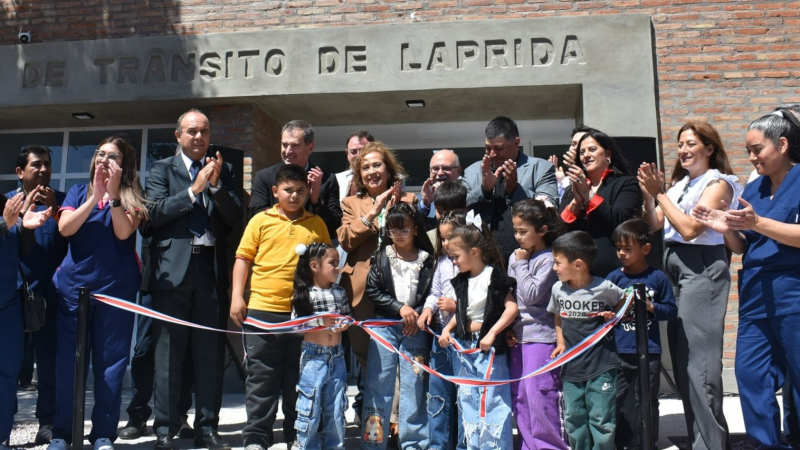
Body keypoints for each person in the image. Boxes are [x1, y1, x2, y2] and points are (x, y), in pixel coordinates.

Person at [693, 110, 800, 449]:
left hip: (793, 290)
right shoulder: (753, 189)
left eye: (757, 149)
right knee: (750, 374)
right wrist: (726, 231)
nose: (751, 158)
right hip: (756, 292)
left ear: (782, 145)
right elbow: (745, 246)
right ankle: (765, 444)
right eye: (748, 151)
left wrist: (755, 223)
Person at [143, 109, 242, 450]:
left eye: (204, 131)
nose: (198, 137)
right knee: (168, 354)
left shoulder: (223, 170)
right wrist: (191, 193)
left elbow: (234, 219)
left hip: (209, 271)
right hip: (172, 274)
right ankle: (165, 429)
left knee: (209, 353)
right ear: (178, 136)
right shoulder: (160, 169)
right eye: (191, 131)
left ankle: (207, 426)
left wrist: (214, 188)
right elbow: (152, 215)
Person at [639, 120, 740, 450]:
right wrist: (649, 198)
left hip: (701, 269)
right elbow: (656, 223)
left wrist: (660, 194)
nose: (683, 149)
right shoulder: (682, 184)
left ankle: (710, 444)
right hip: (674, 270)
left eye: (691, 143)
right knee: (683, 364)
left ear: (709, 148)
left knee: (700, 366)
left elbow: (688, 229)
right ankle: (702, 438)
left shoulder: (717, 183)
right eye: (680, 144)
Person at [48, 136, 147, 450]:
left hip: (115, 289)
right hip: (74, 291)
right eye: (100, 154)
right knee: (69, 364)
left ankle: (103, 433)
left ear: (124, 164)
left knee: (111, 364)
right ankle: (63, 433)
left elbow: (122, 231)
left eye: (112, 156)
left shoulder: (133, 196)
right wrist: (95, 197)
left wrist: (114, 195)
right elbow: (65, 228)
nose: (104, 159)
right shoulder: (78, 191)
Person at [230, 164, 331, 450]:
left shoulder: (317, 223)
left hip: (304, 314)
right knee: (262, 378)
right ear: (275, 191)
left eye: (301, 191)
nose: (295, 196)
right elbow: (243, 259)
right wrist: (238, 297)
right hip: (263, 311)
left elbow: (325, 267)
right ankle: (256, 438)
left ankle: (296, 436)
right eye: (288, 190)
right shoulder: (260, 220)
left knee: (299, 378)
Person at [337, 142, 417, 421]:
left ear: (388, 168)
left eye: (377, 165)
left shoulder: (408, 199)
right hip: (360, 294)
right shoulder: (350, 203)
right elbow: (346, 240)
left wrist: (394, 205)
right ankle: (375, 427)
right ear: (359, 174)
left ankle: (393, 426)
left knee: (398, 363)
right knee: (369, 362)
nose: (372, 171)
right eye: (365, 167)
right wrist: (373, 212)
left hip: (398, 292)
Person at [438, 214, 519, 449]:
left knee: (492, 400)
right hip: (465, 347)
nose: (454, 261)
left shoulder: (494, 276)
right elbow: (463, 311)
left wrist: (493, 333)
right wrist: (448, 328)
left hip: (488, 348)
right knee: (468, 398)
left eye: (456, 256)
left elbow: (511, 308)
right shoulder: (462, 280)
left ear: (474, 252)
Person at [5, 145, 68, 444]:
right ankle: (7, 422)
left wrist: (56, 211)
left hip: (50, 296)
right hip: (14, 297)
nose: (43, 169)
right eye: (35, 165)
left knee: (49, 364)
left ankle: (48, 422)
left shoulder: (64, 203)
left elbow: (70, 246)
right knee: (11, 365)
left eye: (47, 164)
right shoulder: (7, 204)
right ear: (20, 172)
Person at [361, 202, 434, 449]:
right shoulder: (382, 257)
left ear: (415, 228)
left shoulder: (428, 260)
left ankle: (413, 443)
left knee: (415, 385)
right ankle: (374, 442)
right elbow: (372, 289)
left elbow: (433, 292)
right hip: (384, 327)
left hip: (416, 328)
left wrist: (418, 315)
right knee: (378, 383)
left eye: (403, 229)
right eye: (393, 230)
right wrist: (398, 307)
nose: (398, 235)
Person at [548, 231, 627, 450]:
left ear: (579, 264)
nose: (554, 268)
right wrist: (561, 343)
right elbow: (557, 315)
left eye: (557, 263)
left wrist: (613, 318)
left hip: (602, 365)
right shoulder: (558, 290)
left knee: (602, 421)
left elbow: (623, 300)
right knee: (574, 420)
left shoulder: (604, 287)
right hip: (572, 367)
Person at [607, 219, 677, 449]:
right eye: (619, 248)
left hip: (649, 351)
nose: (622, 253)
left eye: (628, 249)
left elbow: (671, 311)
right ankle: (621, 442)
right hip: (619, 351)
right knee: (617, 398)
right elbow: (603, 310)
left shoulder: (657, 278)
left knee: (646, 399)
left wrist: (651, 307)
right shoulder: (614, 278)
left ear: (645, 249)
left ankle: (647, 442)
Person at [507, 199, 569, 450]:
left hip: (541, 337)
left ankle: (550, 446)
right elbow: (511, 292)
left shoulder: (548, 259)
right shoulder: (515, 255)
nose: (518, 237)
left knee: (538, 394)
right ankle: (528, 444)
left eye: (523, 231)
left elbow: (532, 295)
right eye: (515, 231)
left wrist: (521, 263)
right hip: (517, 337)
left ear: (542, 230)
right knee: (520, 396)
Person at [464, 116, 558, 261]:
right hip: (483, 260)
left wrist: (515, 189)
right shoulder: (472, 171)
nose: (492, 154)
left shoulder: (541, 169)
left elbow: (550, 212)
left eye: (499, 148)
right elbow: (460, 209)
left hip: (528, 260)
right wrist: (484, 190)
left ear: (516, 143)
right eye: (488, 148)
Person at [290, 242, 350, 450]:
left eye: (338, 263)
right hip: (313, 357)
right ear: (314, 266)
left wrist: (344, 323)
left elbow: (347, 317)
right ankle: (307, 446)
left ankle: (335, 446)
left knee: (335, 406)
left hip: (338, 356)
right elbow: (296, 326)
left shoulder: (340, 292)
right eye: (332, 263)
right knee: (311, 405)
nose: (337, 267)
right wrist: (319, 322)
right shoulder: (304, 293)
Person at [1, 192, 48, 450]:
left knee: (7, 373)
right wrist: (3, 225)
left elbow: (22, 250)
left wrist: (25, 228)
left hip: (7, 304)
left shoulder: (7, 206)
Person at [560, 129, 642, 277]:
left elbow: (619, 220)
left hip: (614, 272)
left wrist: (588, 195)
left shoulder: (626, 184)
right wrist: (577, 202)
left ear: (608, 154)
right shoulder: (573, 189)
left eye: (592, 149)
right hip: (578, 274)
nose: (586, 155)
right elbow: (561, 231)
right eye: (582, 152)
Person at [417, 210, 467, 450]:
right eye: (443, 239)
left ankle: (464, 444)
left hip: (464, 337)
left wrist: (456, 306)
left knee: (464, 393)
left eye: (450, 238)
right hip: (440, 335)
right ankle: (438, 444)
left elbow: (480, 300)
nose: (446, 244)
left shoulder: (473, 264)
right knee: (438, 391)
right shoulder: (442, 263)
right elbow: (435, 291)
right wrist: (428, 309)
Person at [248, 120, 342, 240]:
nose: (288, 151)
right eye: (284, 145)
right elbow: (255, 214)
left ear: (310, 148)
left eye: (295, 145)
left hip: (312, 252)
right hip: (275, 248)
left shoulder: (326, 180)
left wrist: (317, 201)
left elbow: (334, 228)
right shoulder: (265, 176)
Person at [420, 149, 464, 217]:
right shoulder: (421, 201)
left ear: (458, 171)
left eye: (446, 168)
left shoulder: (466, 199)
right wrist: (426, 203)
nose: (440, 173)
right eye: (436, 168)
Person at [426, 180, 468, 248]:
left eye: (451, 212)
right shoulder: (429, 238)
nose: (445, 217)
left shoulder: (473, 238)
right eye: (440, 211)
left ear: (464, 210)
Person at [336, 131, 375, 202]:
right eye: (353, 151)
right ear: (347, 153)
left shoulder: (395, 179)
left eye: (363, 150)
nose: (358, 156)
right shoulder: (336, 179)